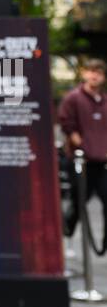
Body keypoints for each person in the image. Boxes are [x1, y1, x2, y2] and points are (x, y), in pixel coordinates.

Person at [58, 58, 107, 253]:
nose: (94, 75)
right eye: (91, 71)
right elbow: (67, 125)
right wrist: (82, 146)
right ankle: (67, 232)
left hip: (102, 161)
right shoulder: (73, 98)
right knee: (79, 202)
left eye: (99, 72)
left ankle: (103, 244)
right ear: (84, 73)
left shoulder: (104, 101)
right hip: (81, 161)